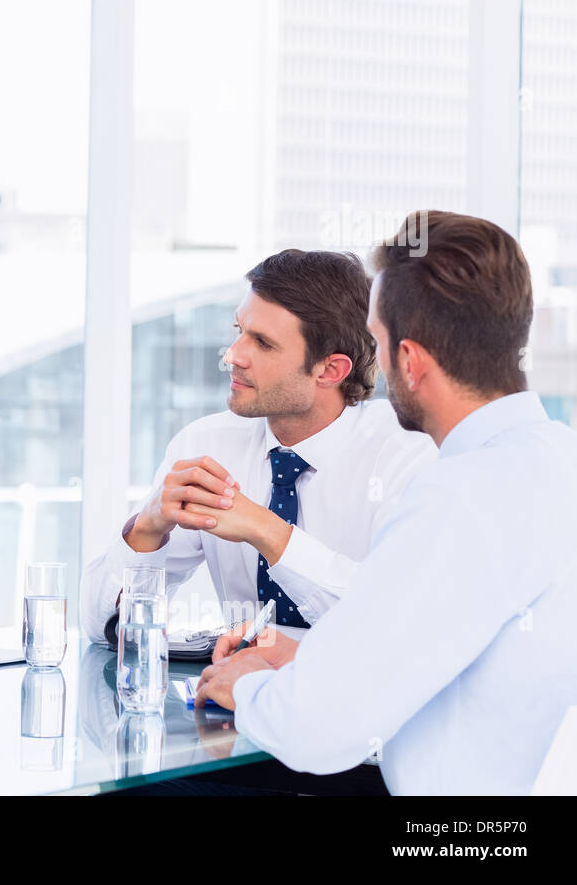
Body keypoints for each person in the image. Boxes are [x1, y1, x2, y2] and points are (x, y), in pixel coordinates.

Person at [196, 210, 577, 795]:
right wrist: (305, 657)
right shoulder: (554, 463)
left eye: (375, 340)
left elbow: (314, 731)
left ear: (411, 361)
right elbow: (457, 655)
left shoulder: (460, 496)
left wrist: (244, 685)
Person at [81, 249, 436, 644]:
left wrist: (266, 530)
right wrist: (147, 528)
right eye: (239, 332)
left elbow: (395, 623)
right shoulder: (207, 444)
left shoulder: (406, 454)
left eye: (263, 343)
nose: (232, 356)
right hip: (234, 698)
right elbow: (100, 630)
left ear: (331, 370)